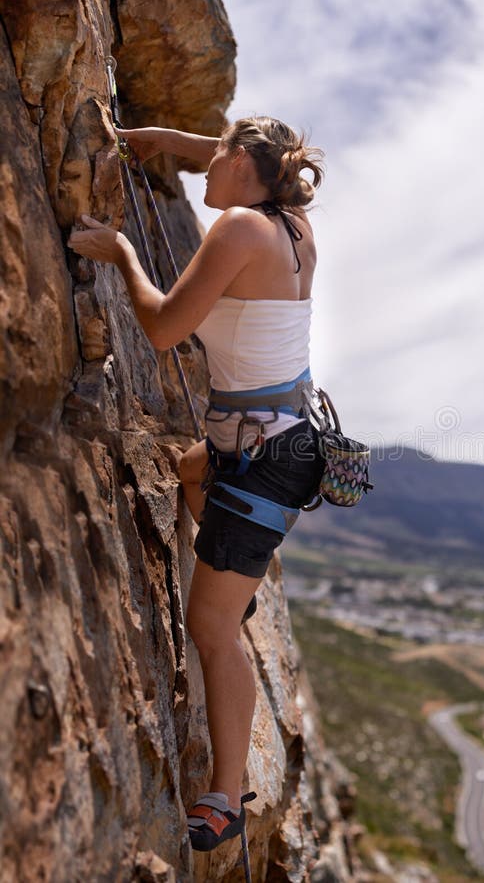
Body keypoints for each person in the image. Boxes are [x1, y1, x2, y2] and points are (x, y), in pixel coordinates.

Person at [68, 117, 327, 851]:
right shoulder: (293, 225)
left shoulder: (238, 228)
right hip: (275, 442)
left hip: (261, 461)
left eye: (214, 159)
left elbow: (159, 329)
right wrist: (164, 139)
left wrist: (121, 252)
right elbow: (230, 151)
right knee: (189, 468)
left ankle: (225, 795)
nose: (202, 170)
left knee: (209, 629)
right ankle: (230, 588)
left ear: (242, 163)